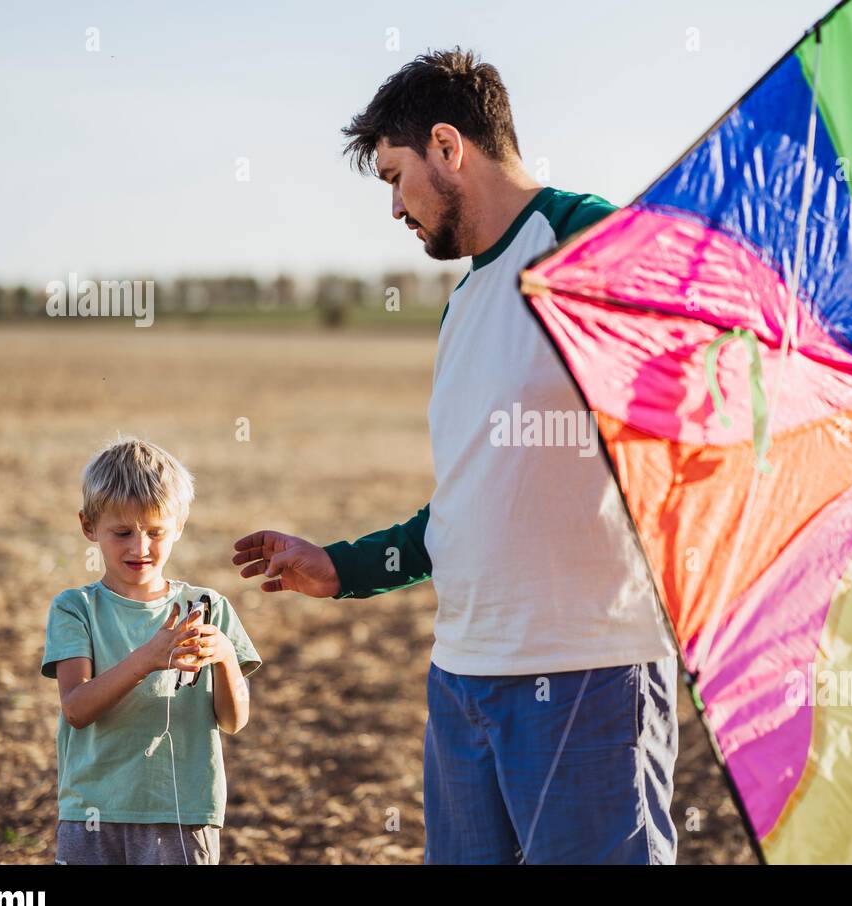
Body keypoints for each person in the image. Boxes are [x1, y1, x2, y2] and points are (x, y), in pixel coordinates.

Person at [233, 48, 677, 864]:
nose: (394, 208)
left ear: (448, 148)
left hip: (589, 676)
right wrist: (341, 568)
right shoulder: (465, 305)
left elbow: (710, 398)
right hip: (463, 685)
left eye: (393, 176)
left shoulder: (589, 242)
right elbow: (467, 507)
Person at [43, 436, 261, 864]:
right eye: (121, 532)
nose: (139, 548)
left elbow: (234, 722)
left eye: (156, 532)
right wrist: (148, 658)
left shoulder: (209, 608)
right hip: (93, 813)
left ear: (179, 526)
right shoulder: (76, 609)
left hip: (183, 814)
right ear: (89, 527)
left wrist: (226, 658)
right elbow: (76, 709)